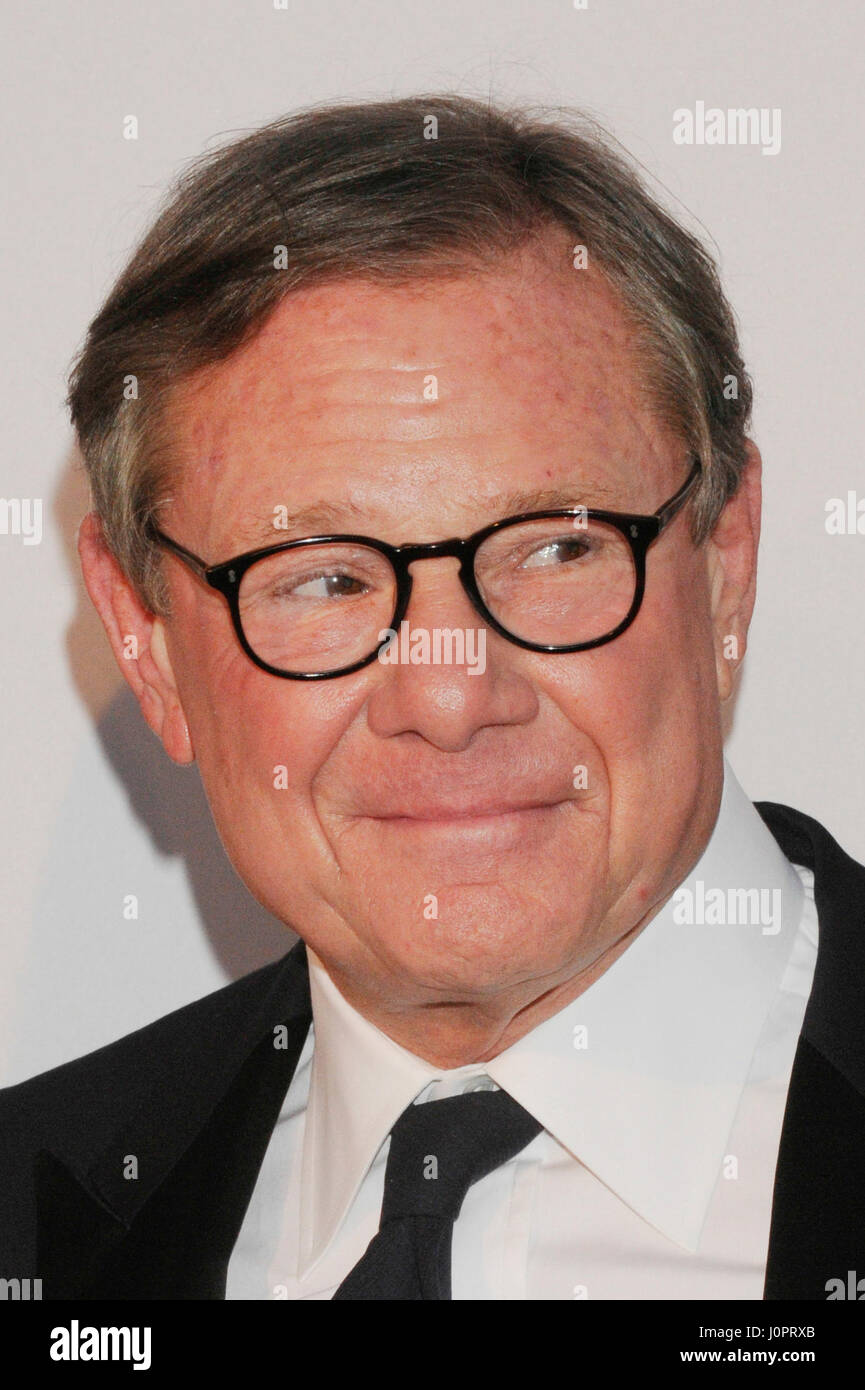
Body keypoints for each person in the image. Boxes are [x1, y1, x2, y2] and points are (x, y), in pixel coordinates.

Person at [1, 93, 862, 1302]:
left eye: (555, 549)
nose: (452, 702)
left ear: (726, 561)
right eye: (325, 579)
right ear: (146, 642)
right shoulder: (31, 1223)